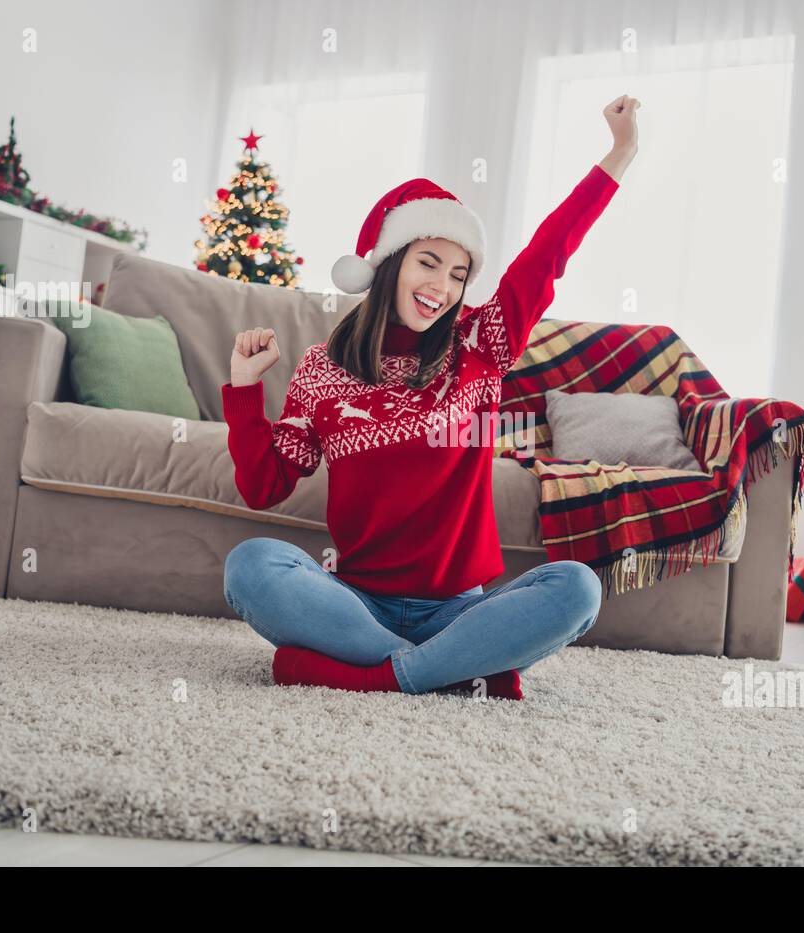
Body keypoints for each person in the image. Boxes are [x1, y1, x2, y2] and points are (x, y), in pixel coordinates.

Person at [222, 95, 641, 699]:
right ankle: (454, 671)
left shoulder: (481, 344)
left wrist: (619, 154)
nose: (443, 287)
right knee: (251, 565)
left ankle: (378, 675)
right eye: (429, 262)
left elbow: (550, 253)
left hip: (458, 610)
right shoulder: (322, 369)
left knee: (578, 587)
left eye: (458, 274)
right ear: (390, 263)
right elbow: (265, 487)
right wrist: (243, 389)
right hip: (354, 603)